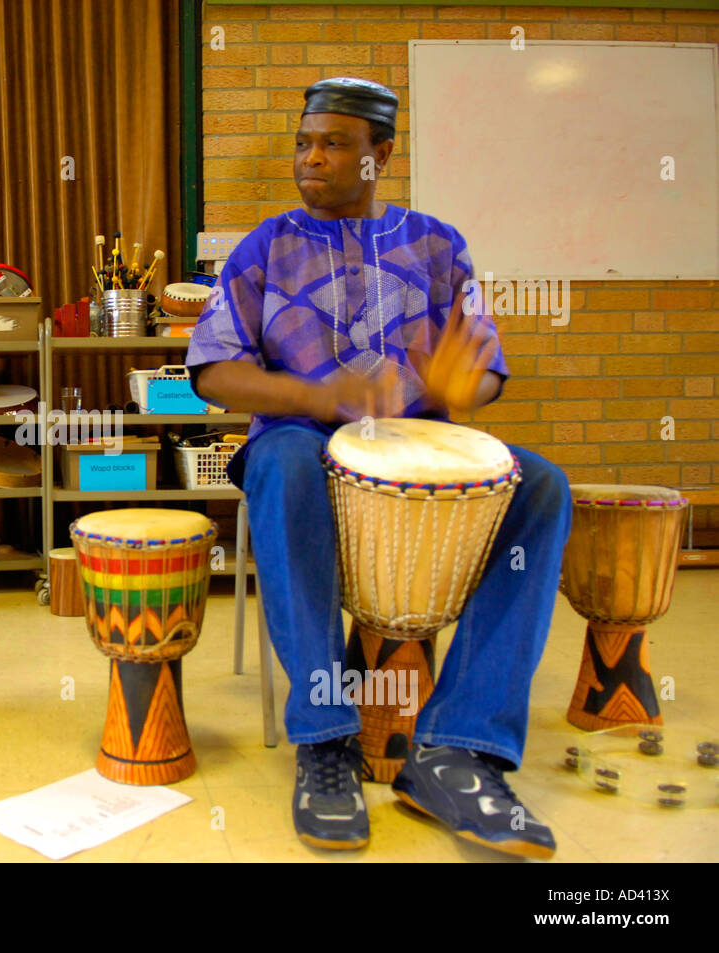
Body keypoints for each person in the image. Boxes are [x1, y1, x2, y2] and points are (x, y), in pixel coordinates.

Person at [187, 77, 571, 859]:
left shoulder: (437, 244)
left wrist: (460, 386)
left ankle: (460, 747)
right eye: (304, 142)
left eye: (332, 143)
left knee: (541, 485)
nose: (311, 158)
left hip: (413, 449)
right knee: (289, 461)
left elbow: (484, 371)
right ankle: (327, 739)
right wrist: (316, 395)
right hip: (298, 440)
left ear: (379, 154)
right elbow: (212, 370)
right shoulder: (267, 246)